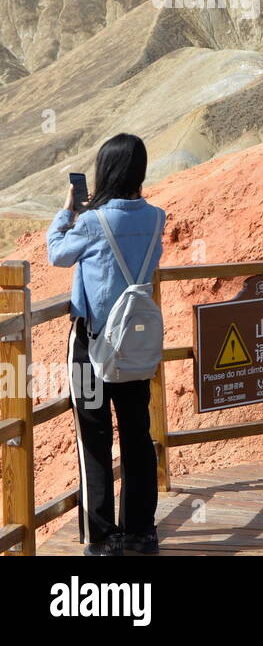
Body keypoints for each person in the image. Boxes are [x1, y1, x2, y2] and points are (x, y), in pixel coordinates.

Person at [47, 133, 166, 556]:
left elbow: (58, 255)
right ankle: (140, 530)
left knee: (94, 438)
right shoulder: (157, 217)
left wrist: (67, 213)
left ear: (105, 170)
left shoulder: (93, 222)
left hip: (92, 342)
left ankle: (101, 535)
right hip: (135, 340)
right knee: (137, 432)